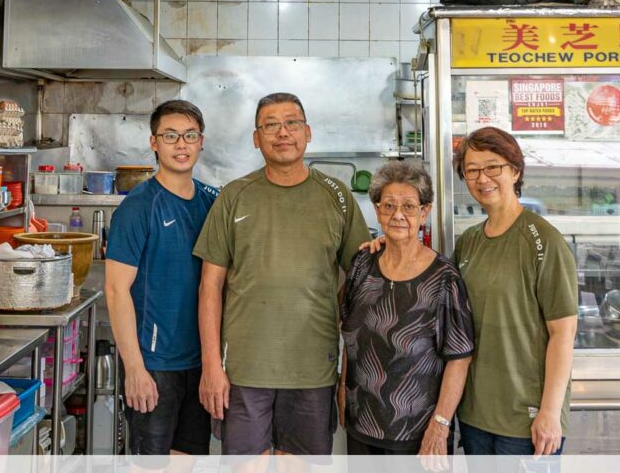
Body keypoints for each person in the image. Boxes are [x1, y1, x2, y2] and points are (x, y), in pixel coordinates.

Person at [194, 92, 371, 456]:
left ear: (307, 132)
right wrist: (212, 365)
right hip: (243, 369)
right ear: (256, 138)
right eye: (270, 125)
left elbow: (360, 282)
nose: (282, 133)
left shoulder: (336, 196)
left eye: (291, 123)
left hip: (313, 368)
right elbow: (209, 286)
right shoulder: (234, 196)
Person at [452, 127, 577, 457]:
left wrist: (549, 412)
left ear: (515, 170)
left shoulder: (543, 240)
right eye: (472, 170)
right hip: (476, 415)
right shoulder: (469, 241)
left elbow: (563, 334)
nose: (483, 178)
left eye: (493, 167)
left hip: (527, 421)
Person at [104, 99, 218, 456]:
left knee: (189, 458)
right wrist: (134, 368)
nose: (181, 144)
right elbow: (115, 289)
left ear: (201, 141)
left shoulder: (210, 201)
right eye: (170, 136)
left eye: (189, 135)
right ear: (154, 143)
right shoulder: (138, 207)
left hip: (200, 363)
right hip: (154, 366)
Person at [340, 160, 474, 458]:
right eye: (388, 206)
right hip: (361, 426)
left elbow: (459, 359)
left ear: (424, 212)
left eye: (409, 207)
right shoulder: (362, 264)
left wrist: (440, 426)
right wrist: (341, 390)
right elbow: (349, 334)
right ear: (376, 210)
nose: (398, 215)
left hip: (418, 434)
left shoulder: (443, 278)